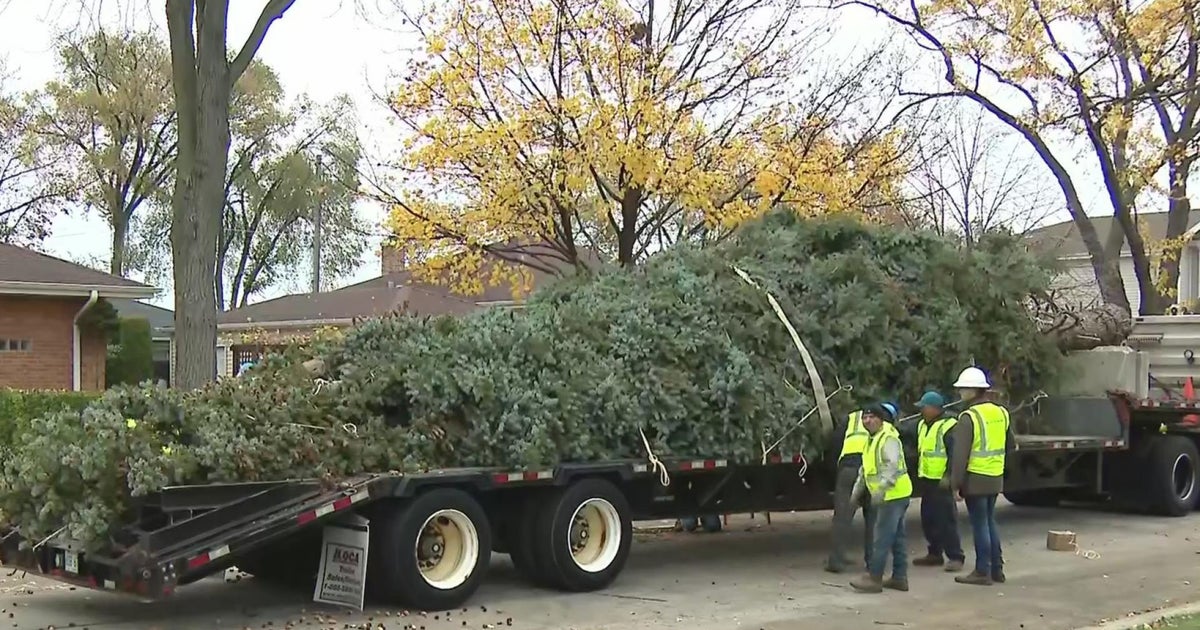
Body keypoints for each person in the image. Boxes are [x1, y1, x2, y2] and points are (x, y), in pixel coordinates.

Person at [948, 366, 1017, 586]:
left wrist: (955, 484)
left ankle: (982, 571)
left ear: (973, 391)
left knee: (980, 525)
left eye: (963, 389)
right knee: (989, 522)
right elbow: (1011, 445)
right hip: (995, 476)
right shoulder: (1001, 412)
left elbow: (960, 455)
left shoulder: (969, 417)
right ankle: (997, 569)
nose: (960, 392)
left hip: (975, 478)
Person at [849, 403, 912, 593]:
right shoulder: (872, 439)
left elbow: (892, 466)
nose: (867, 421)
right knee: (897, 538)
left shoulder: (888, 438)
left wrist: (881, 489)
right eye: (864, 418)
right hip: (894, 494)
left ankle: (874, 578)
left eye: (872, 417)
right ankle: (899, 578)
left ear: (881, 419)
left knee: (881, 538)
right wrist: (857, 492)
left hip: (892, 495)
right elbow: (865, 469)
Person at [824, 402, 894, 573]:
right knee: (873, 518)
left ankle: (836, 561)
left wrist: (837, 469)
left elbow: (834, 443)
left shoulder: (851, 418)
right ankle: (872, 562)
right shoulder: (886, 426)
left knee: (842, 517)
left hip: (848, 469)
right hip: (871, 471)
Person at [911, 390, 965, 572]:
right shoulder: (922, 425)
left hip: (942, 481)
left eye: (924, 407)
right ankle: (934, 553)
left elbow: (955, 455)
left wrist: (949, 477)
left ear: (935, 409)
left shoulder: (949, 426)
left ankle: (955, 556)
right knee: (929, 518)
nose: (921, 411)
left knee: (946, 520)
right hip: (928, 479)